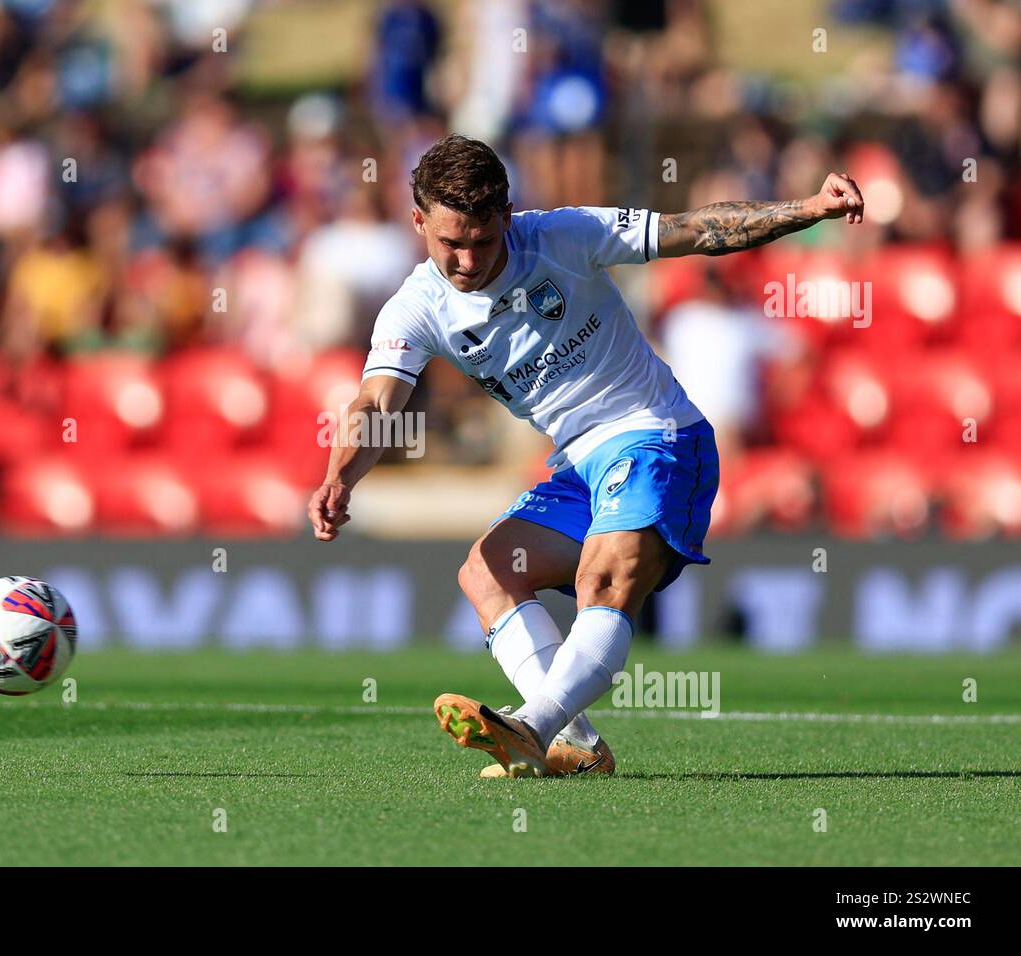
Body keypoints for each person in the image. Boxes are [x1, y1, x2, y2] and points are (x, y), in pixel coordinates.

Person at [307, 134, 864, 778]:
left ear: (508, 218)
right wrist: (338, 478)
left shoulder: (565, 236)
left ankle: (530, 728)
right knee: (486, 573)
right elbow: (376, 403)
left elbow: (698, 230)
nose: (464, 260)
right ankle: (576, 744)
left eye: (481, 241)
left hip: (656, 435)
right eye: (448, 243)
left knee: (599, 582)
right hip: (578, 465)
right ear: (418, 223)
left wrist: (808, 208)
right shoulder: (415, 309)